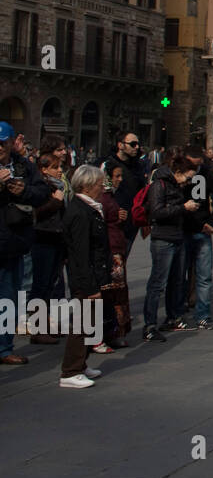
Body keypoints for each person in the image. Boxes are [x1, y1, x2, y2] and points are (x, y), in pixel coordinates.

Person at [1, 121, 52, 366]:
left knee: (9, 298)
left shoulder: (23, 166)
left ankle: (4, 348)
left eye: (2, 143)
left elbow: (42, 193)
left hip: (14, 243)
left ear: (12, 143)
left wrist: (22, 190)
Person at [59, 164, 114, 388]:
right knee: (81, 323)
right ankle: (70, 370)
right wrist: (90, 286)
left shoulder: (88, 208)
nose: (103, 187)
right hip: (85, 277)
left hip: (93, 273)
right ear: (88, 185)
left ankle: (81, 364)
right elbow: (80, 254)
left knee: (90, 321)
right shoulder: (80, 212)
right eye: (100, 183)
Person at [143, 149, 201, 340]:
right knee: (158, 283)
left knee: (177, 280)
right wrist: (183, 208)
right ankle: (150, 324)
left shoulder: (177, 186)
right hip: (163, 238)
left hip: (178, 236)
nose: (187, 182)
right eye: (187, 178)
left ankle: (173, 317)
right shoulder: (159, 185)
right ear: (177, 172)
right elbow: (156, 212)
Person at [181, 146, 213, 330]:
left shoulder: (206, 174)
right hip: (183, 229)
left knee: (204, 276)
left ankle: (203, 314)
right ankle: (176, 313)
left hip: (203, 229)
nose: (195, 168)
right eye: (192, 165)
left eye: (198, 165)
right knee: (179, 275)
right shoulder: (178, 173)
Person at [29, 153, 67, 346]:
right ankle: (37, 328)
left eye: (60, 167)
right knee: (41, 285)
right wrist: (56, 202)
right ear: (44, 169)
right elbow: (35, 214)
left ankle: (44, 325)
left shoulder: (59, 187)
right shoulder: (41, 188)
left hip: (56, 239)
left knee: (50, 285)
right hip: (43, 238)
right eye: (55, 167)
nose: (60, 170)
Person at [101, 132, 148, 258]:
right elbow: (103, 192)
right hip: (114, 221)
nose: (137, 147)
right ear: (120, 145)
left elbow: (142, 193)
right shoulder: (108, 164)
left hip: (131, 222)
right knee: (113, 260)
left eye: (138, 144)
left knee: (122, 260)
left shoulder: (138, 166)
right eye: (133, 144)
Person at [99, 166, 132, 347]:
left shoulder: (111, 195)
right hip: (110, 249)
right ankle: (109, 332)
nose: (119, 179)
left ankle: (115, 331)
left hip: (117, 246)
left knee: (117, 292)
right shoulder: (102, 197)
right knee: (112, 293)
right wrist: (115, 217)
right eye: (116, 176)